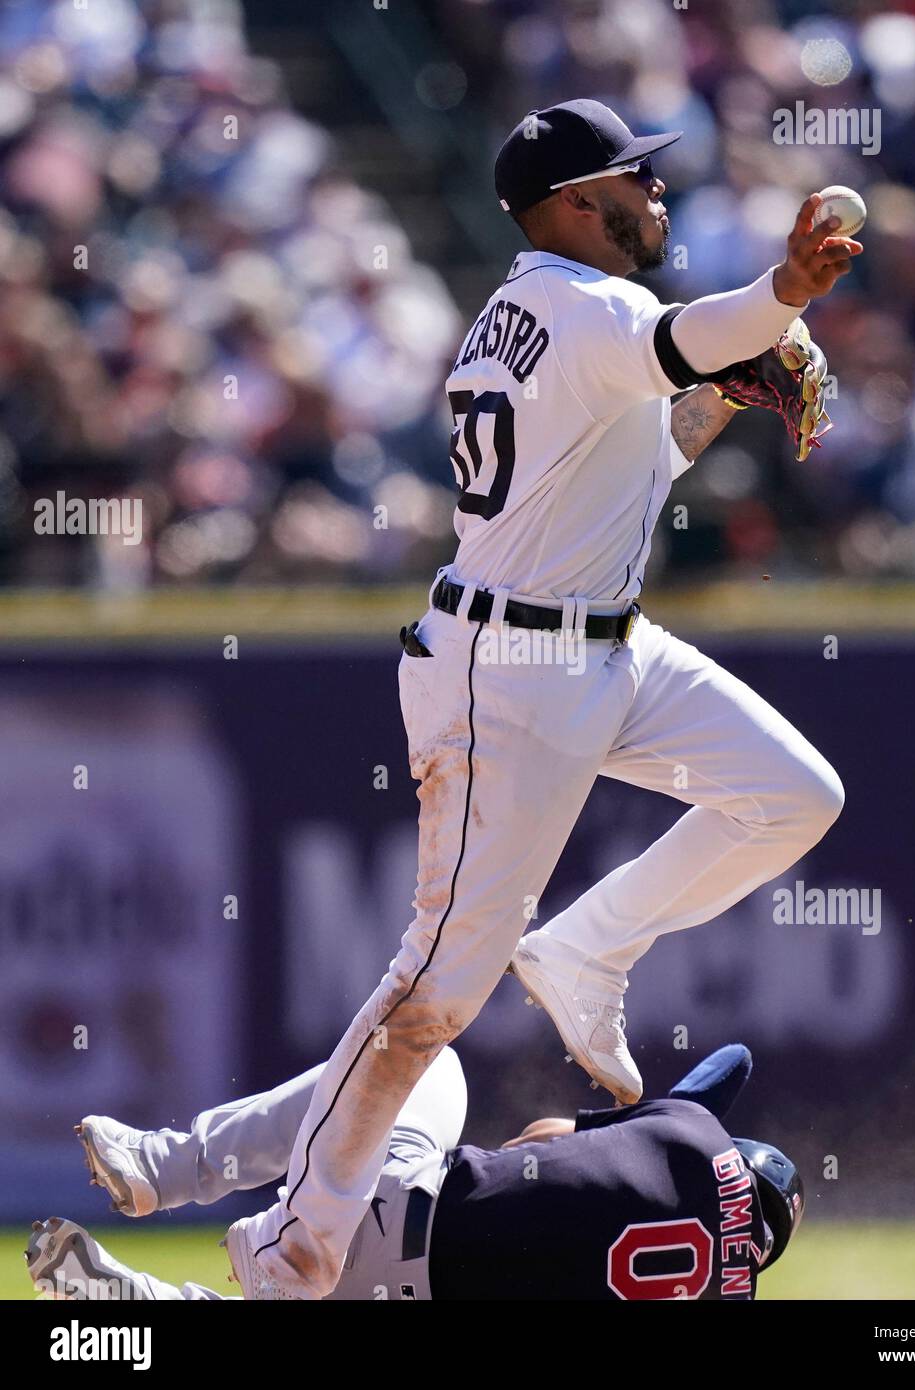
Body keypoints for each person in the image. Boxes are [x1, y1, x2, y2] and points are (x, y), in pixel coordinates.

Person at [230, 97, 856, 1298]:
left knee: (790, 795)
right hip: (507, 671)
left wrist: (728, 391)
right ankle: (295, 1242)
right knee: (432, 991)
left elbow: (626, 464)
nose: (658, 197)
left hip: (593, 641)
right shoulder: (585, 304)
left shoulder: (525, 319)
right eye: (637, 180)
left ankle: (585, 951)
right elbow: (692, 334)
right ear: (574, 205)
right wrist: (782, 292)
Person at [28, 1045, 802, 1301]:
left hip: (386, 1204)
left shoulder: (697, 1137)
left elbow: (543, 1136)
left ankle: (168, 1166)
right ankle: (115, 1301)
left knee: (426, 1054)